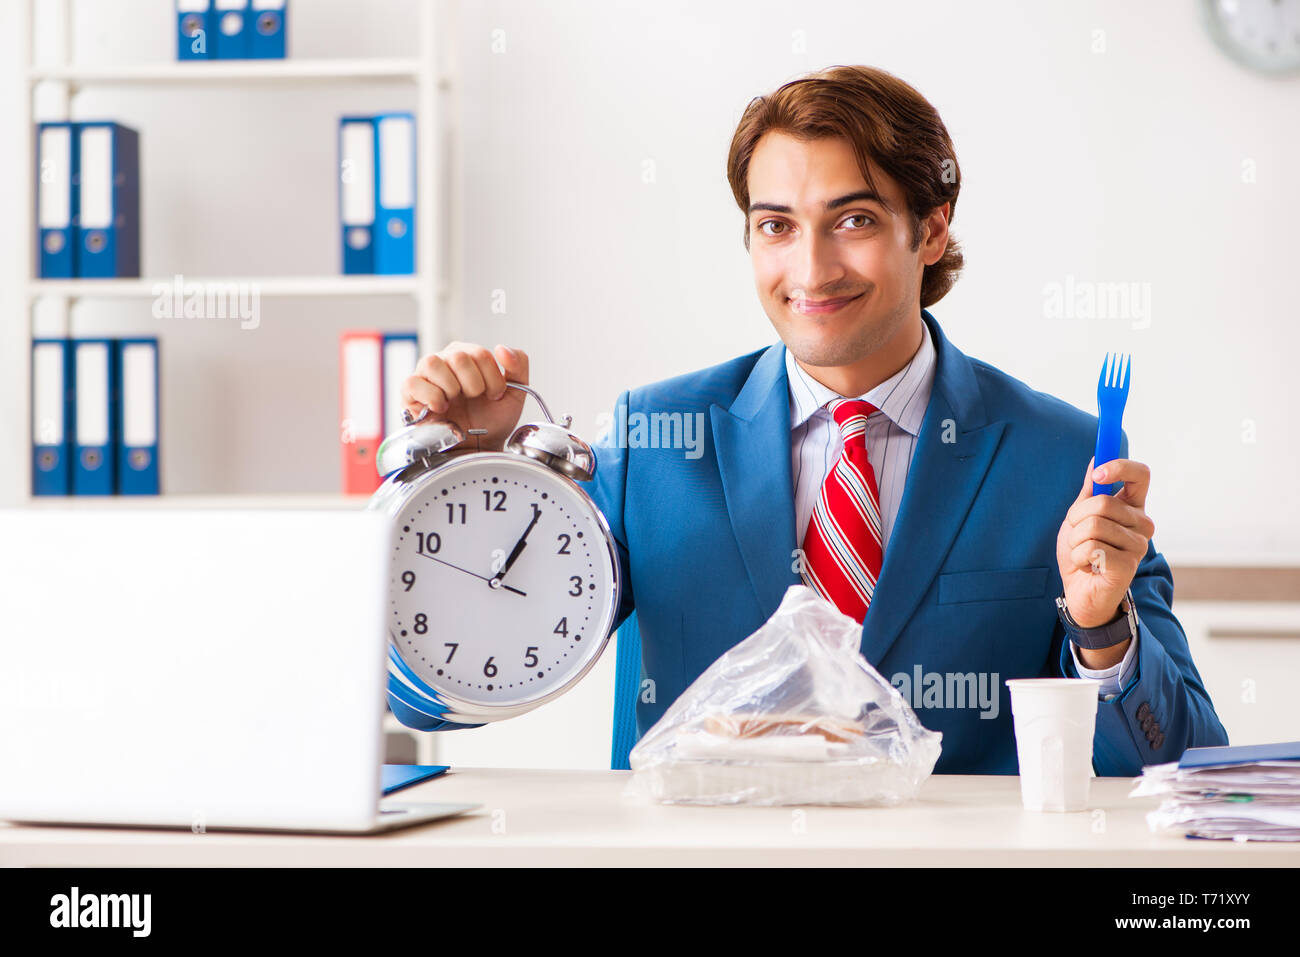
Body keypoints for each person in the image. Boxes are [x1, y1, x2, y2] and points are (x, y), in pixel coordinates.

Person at [397, 65, 1227, 776]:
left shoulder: (1058, 458)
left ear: (930, 228)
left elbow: (1174, 761)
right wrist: (477, 482)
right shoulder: (655, 439)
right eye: (776, 226)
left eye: (855, 220)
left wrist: (1101, 629)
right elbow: (441, 700)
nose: (811, 267)